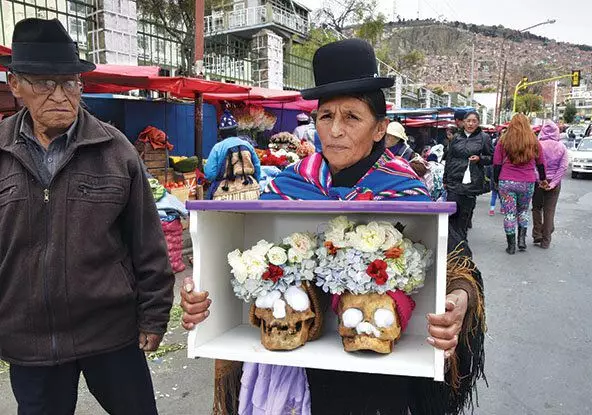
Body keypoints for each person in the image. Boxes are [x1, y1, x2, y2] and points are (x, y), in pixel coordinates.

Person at [180, 38, 486, 415]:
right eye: (326, 116)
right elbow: (237, 253)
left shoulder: (406, 191)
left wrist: (460, 301)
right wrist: (203, 294)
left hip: (379, 373)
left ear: (379, 129)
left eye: (352, 117)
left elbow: (458, 266)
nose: (335, 130)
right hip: (297, 370)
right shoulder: (288, 186)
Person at [0, 18, 174, 414]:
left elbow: (148, 241)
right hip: (29, 339)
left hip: (110, 332)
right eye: (45, 83)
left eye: (71, 83)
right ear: (16, 85)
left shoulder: (116, 150)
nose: (60, 95)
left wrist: (154, 315)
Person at [493, 113, 548, 255]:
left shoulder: (503, 141)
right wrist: (543, 179)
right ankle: (522, 241)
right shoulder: (534, 141)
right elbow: (541, 163)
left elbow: (497, 163)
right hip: (527, 182)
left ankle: (511, 246)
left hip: (506, 181)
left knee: (509, 213)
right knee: (523, 211)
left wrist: (495, 180)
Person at [443, 111, 494, 240]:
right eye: (468, 121)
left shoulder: (484, 138)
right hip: (454, 180)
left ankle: (461, 244)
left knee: (464, 215)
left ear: (478, 123)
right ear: (463, 122)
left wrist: (480, 158)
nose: (471, 124)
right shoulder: (456, 138)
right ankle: (452, 243)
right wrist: (445, 179)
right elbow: (448, 159)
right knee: (452, 213)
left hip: (471, 181)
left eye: (474, 121)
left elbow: (492, 158)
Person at [532, 120, 569, 249]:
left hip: (538, 182)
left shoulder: (536, 145)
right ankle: (546, 241)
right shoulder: (562, 147)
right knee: (549, 211)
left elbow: (533, 165)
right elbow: (563, 167)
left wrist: (539, 179)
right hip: (554, 181)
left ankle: (537, 233)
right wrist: (552, 183)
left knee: (536, 208)